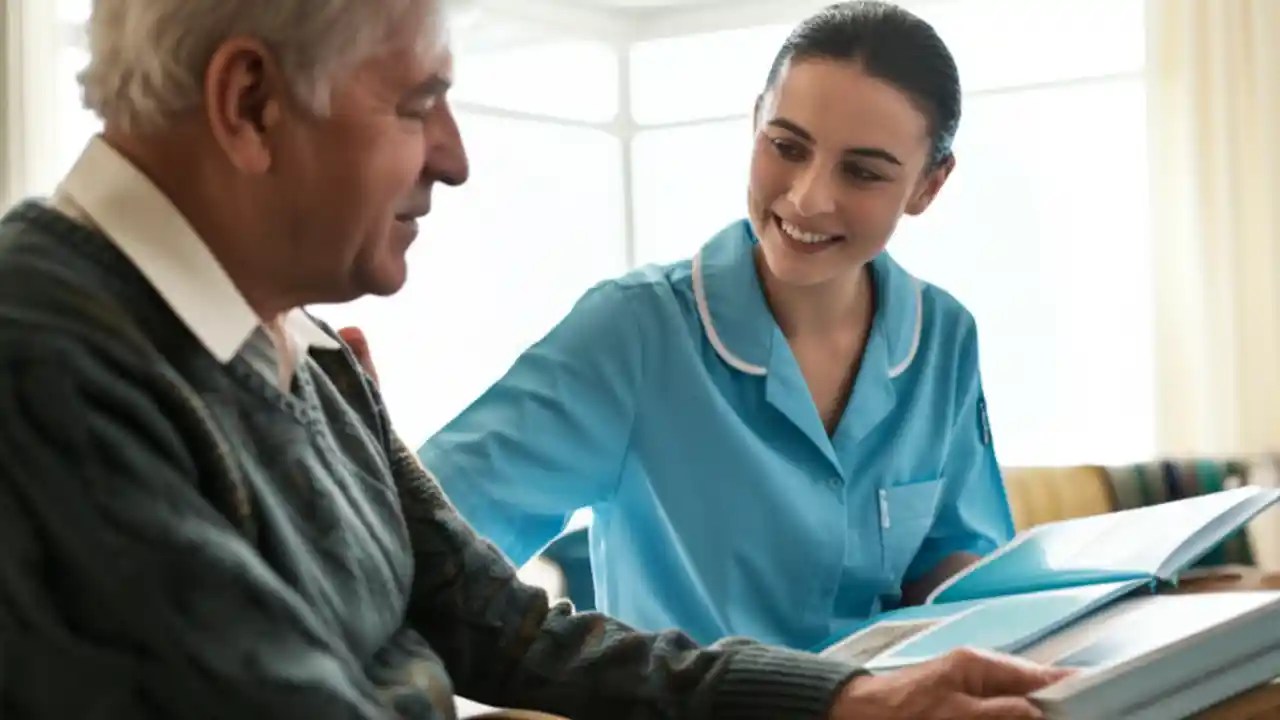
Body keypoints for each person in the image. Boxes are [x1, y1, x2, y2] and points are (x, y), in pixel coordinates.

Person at [0, 0, 1067, 718]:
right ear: (249, 103)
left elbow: (494, 624)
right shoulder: (39, 357)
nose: (456, 158)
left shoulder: (307, 348)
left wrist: (840, 700)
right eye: (417, 104)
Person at [417, 0, 1012, 652]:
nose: (808, 197)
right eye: (787, 146)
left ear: (928, 185)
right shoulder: (635, 333)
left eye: (863, 172)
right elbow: (428, 529)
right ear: (756, 123)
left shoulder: (945, 338)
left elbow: (955, 567)